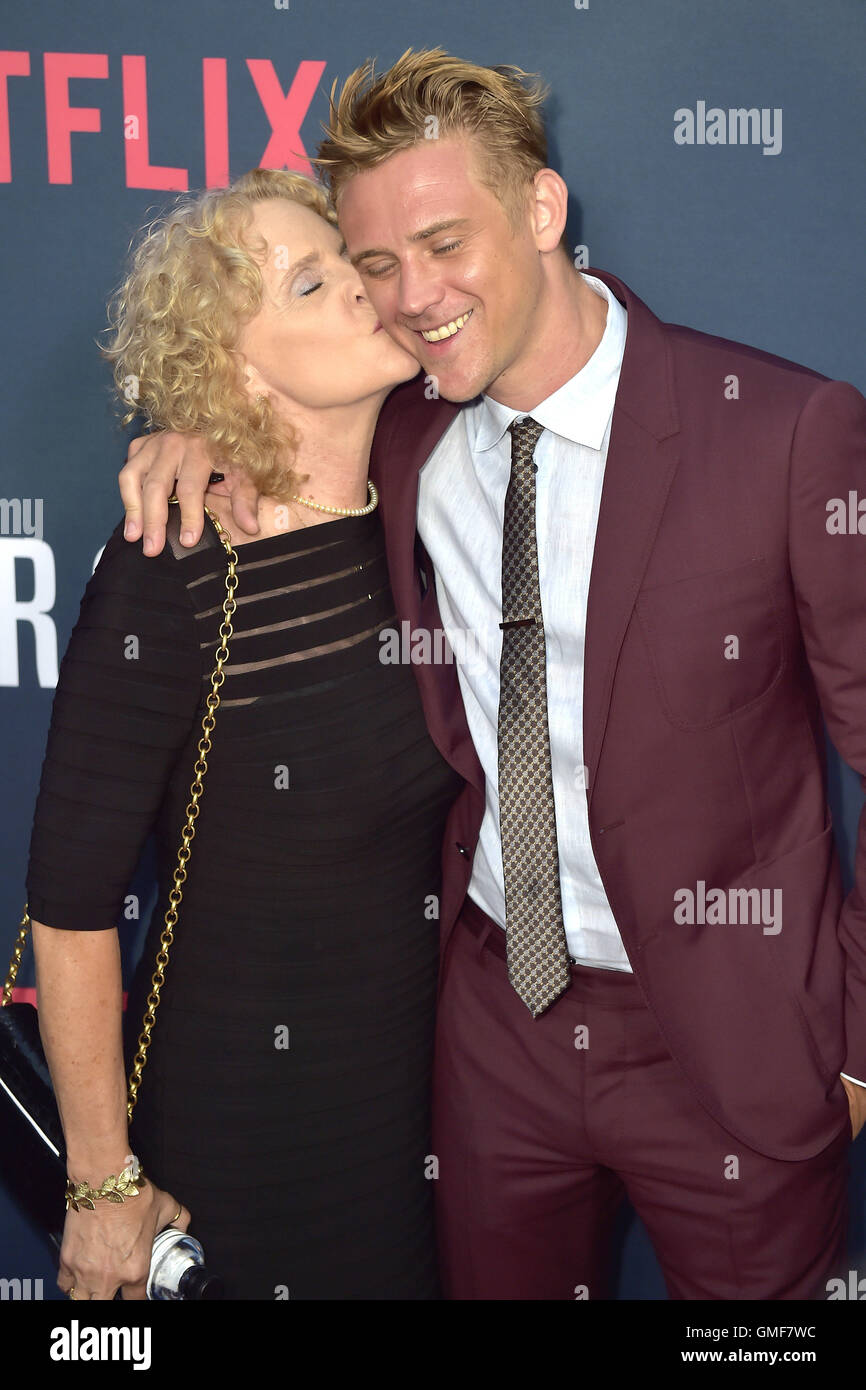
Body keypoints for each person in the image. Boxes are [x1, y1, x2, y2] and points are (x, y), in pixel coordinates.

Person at [117, 49, 866, 1300]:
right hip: (489, 1036)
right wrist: (190, 434)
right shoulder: (402, 435)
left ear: (540, 211)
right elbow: (276, 417)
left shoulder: (780, 431)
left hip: (730, 1046)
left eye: (444, 242)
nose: (413, 297)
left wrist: (852, 1043)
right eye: (373, 266)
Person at [25, 165, 463, 1301]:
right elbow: (69, 908)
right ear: (232, 364)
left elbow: (561, 322)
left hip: (411, 1130)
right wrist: (104, 1187)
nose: (367, 291)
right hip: (237, 1141)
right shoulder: (170, 567)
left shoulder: (429, 508)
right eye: (312, 284)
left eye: (348, 261)